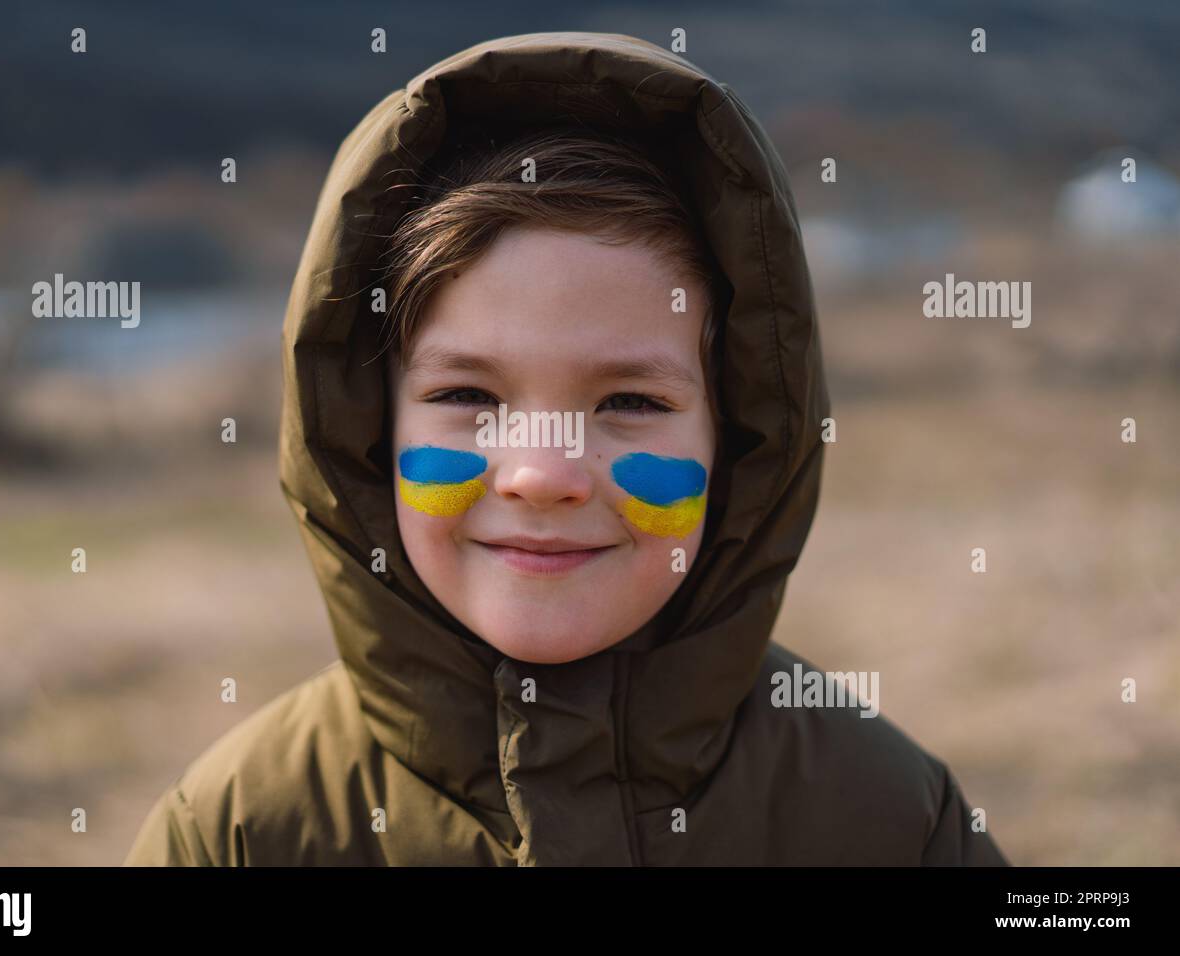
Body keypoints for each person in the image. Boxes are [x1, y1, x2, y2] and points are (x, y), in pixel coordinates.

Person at [123, 31, 1009, 866]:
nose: (541, 474)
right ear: (368, 434)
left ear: (737, 443)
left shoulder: (890, 820)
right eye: (466, 395)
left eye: (629, 400)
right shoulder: (237, 832)